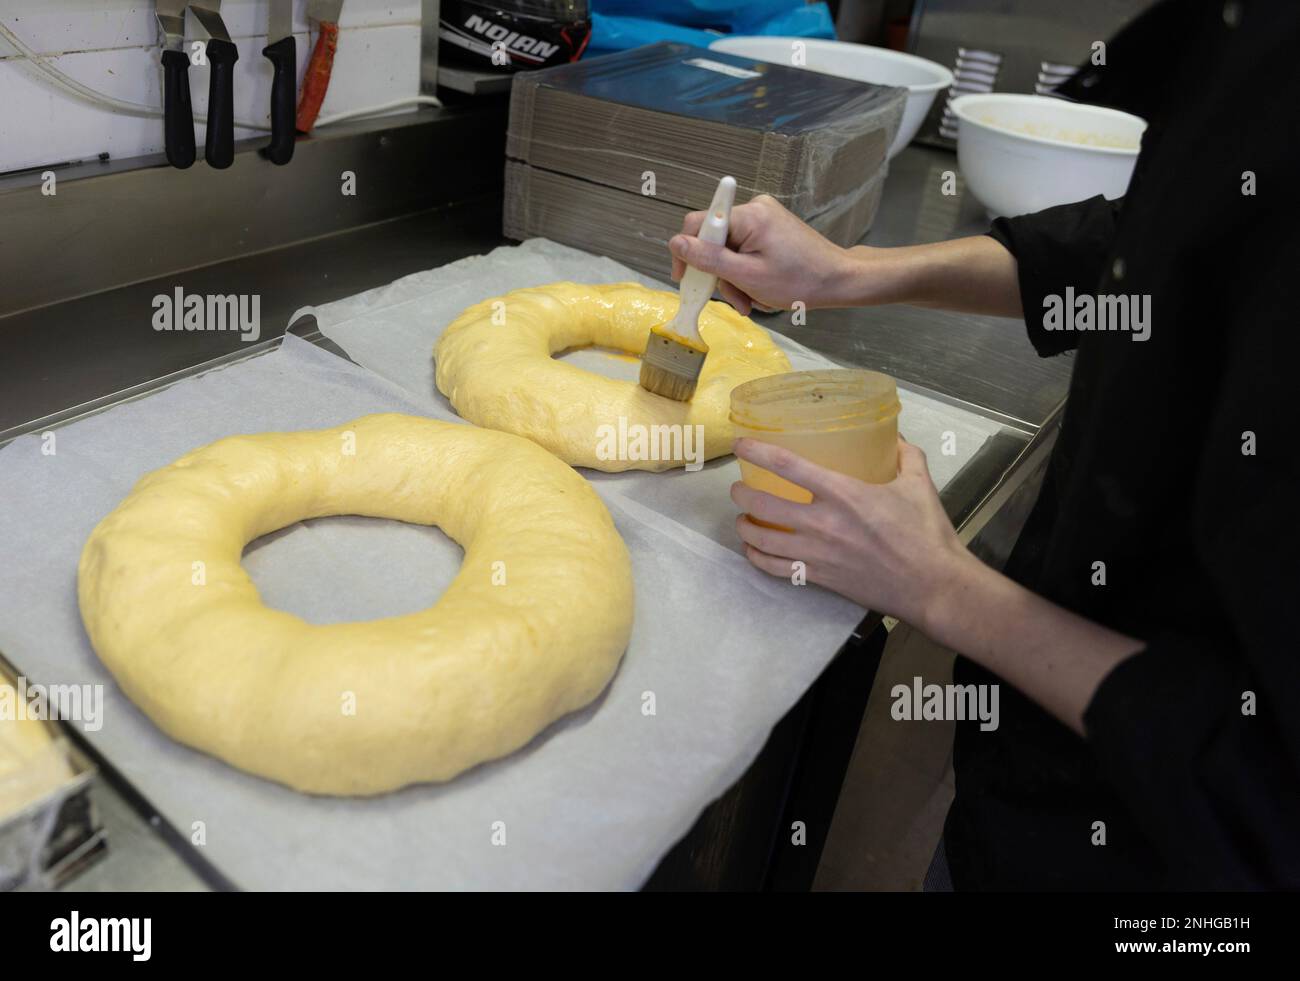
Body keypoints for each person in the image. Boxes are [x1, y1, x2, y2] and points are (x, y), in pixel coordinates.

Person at [667, 0, 1299, 889]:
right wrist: (846, 272)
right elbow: (1146, 244)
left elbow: (1266, 781)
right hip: (1028, 783)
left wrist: (937, 583)